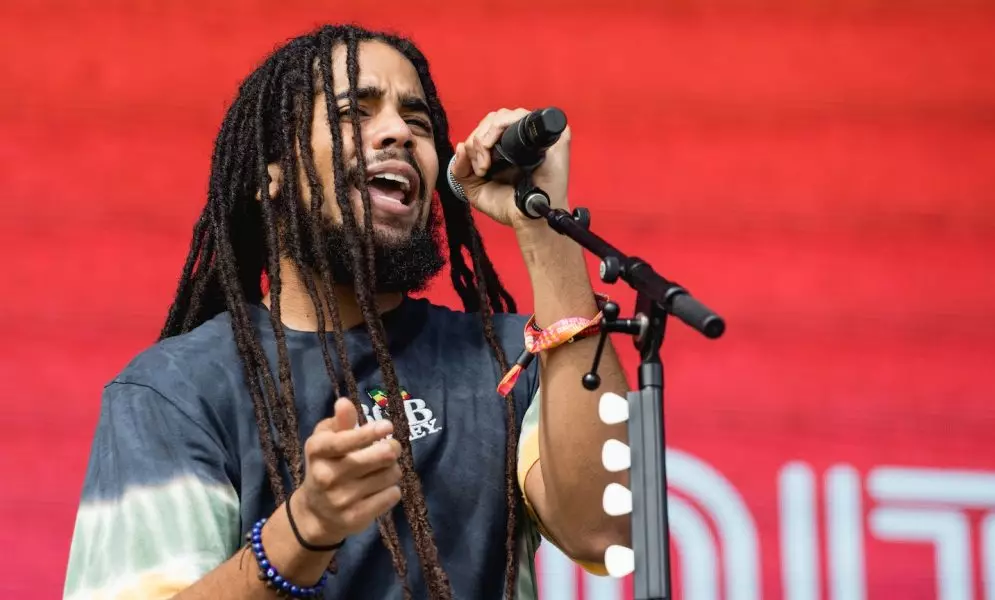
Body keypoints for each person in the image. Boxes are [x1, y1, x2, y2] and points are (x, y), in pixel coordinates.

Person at [63, 23, 630, 600]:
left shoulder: (513, 359)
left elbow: (604, 531)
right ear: (270, 175)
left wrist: (544, 226)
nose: (398, 135)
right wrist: (304, 530)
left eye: (419, 123)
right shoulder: (173, 390)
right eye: (354, 114)